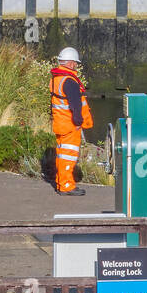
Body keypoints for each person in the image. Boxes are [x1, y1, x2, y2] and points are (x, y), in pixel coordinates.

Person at [50, 47, 93, 196]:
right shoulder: (70, 82)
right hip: (70, 126)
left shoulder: (57, 79)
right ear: (71, 63)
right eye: (75, 63)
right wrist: (79, 121)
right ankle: (67, 186)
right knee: (68, 157)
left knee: (61, 156)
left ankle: (61, 183)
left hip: (60, 123)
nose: (76, 65)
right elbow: (75, 105)